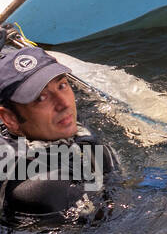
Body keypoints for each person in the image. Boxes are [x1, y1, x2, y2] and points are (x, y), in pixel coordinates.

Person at [0, 37, 117, 221]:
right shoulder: (41, 187)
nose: (64, 104)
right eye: (41, 98)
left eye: (62, 86)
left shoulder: (77, 140)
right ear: (10, 119)